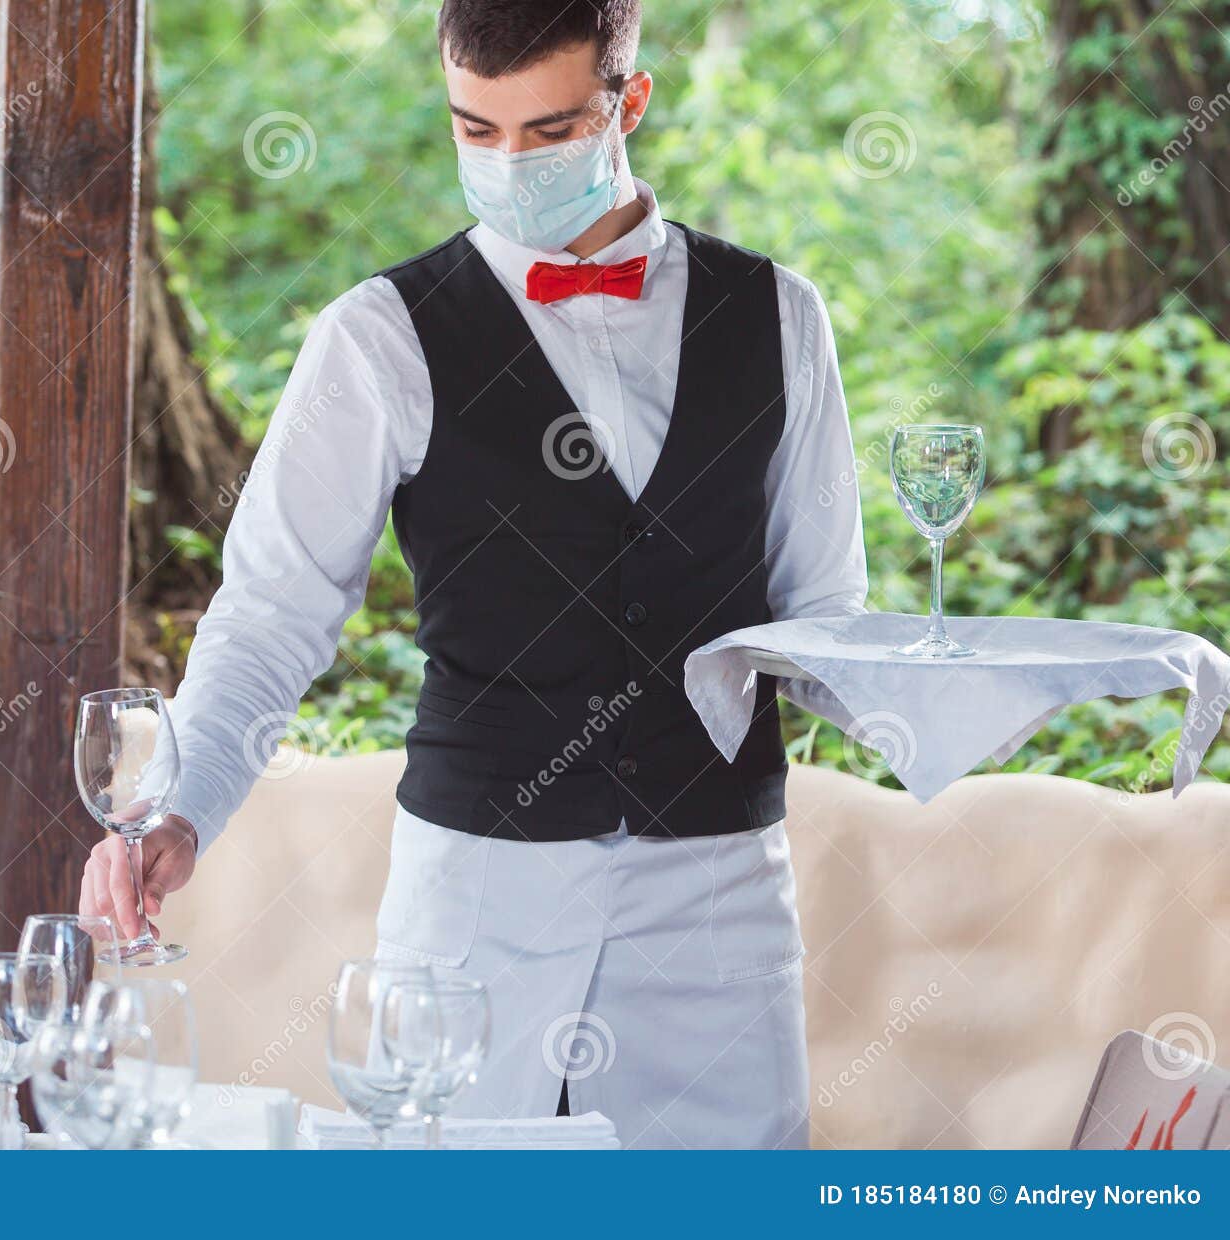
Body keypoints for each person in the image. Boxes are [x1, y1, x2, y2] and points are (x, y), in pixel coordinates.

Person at [80, 0, 866, 1149]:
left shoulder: (780, 317)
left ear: (627, 103)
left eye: (546, 135)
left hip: (714, 898)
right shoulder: (377, 337)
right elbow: (268, 614)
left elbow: (825, 617)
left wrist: (940, 704)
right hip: (476, 897)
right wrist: (180, 811)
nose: (505, 165)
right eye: (473, 130)